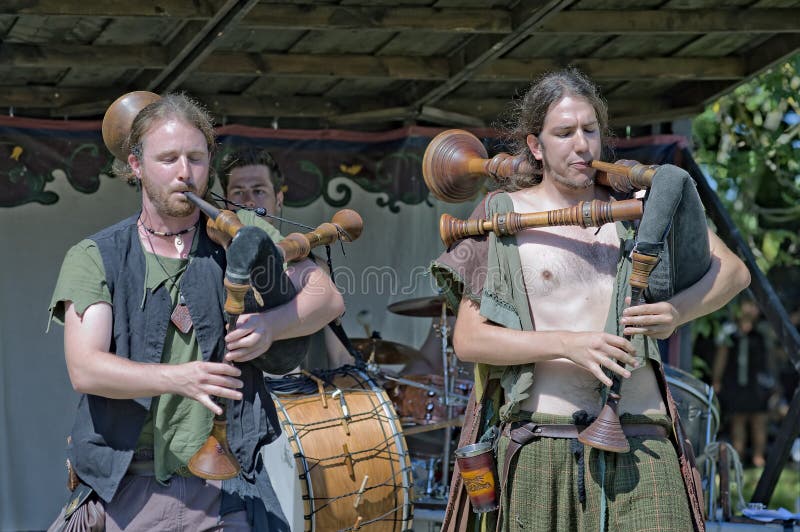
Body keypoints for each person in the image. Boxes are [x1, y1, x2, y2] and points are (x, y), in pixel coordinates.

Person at [431, 68, 750, 531]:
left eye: (590, 130)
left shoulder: (640, 206)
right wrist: (567, 344)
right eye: (564, 133)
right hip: (544, 444)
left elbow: (734, 272)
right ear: (536, 145)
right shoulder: (502, 214)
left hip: (644, 442)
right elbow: (470, 339)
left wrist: (679, 310)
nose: (581, 144)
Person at [48, 94, 345, 531]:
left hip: (230, 491)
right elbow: (86, 368)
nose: (184, 172)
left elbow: (326, 297)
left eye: (196, 158)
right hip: (129, 489)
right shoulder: (97, 255)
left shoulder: (237, 231)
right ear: (136, 165)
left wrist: (270, 325)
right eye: (167, 159)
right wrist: (180, 378)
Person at [219, 146, 353, 369]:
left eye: (259, 191)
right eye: (238, 192)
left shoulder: (312, 265)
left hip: (290, 395)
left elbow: (338, 356)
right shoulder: (212, 256)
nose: (249, 201)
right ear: (225, 201)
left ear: (278, 199)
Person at [712, 298, 775, 468]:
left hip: (757, 384)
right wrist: (716, 380)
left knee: (759, 420)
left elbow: (769, 359)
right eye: (747, 305)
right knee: (738, 420)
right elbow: (721, 357)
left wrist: (773, 383)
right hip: (735, 383)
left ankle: (758, 458)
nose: (750, 309)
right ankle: (739, 459)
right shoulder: (728, 331)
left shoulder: (762, 331)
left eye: (754, 306)